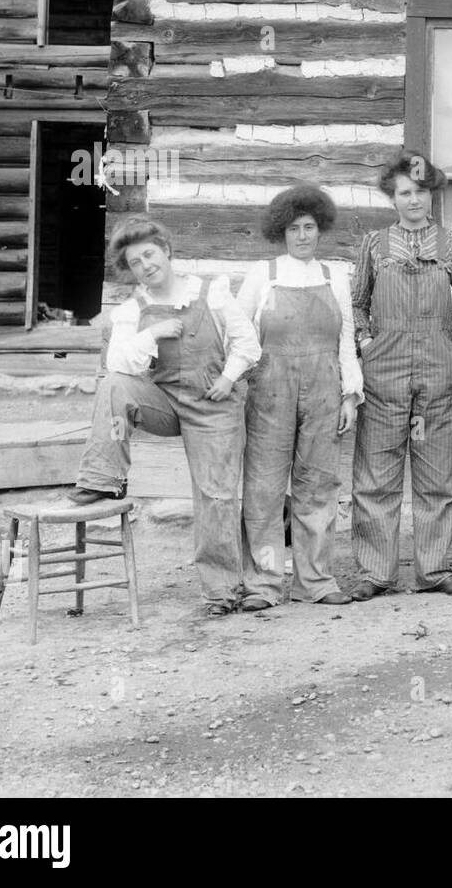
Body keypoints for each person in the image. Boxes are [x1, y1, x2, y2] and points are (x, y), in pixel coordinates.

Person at [67, 217, 261, 617]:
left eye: (150, 255)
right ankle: (103, 480)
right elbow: (119, 363)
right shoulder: (131, 310)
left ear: (167, 251)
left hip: (214, 402)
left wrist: (227, 379)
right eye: (136, 262)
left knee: (216, 494)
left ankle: (222, 592)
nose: (146, 266)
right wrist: (153, 334)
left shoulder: (212, 292)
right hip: (165, 402)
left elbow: (248, 344)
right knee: (114, 384)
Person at [348, 153, 452, 600]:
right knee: (376, 476)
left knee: (439, 474)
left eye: (421, 191)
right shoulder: (374, 244)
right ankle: (375, 573)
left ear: (432, 195)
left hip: (438, 375)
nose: (414, 200)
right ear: (393, 197)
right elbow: (357, 304)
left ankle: (435, 569)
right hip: (383, 375)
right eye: (405, 192)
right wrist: (366, 345)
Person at [235, 185, 363, 611]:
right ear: (281, 231)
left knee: (318, 486)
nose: (303, 235)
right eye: (294, 228)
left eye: (310, 227)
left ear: (319, 229)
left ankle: (316, 581)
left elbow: (346, 340)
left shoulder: (334, 277)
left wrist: (350, 394)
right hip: (270, 390)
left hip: (325, 389)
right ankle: (264, 584)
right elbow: (240, 338)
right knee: (264, 488)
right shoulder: (264, 274)